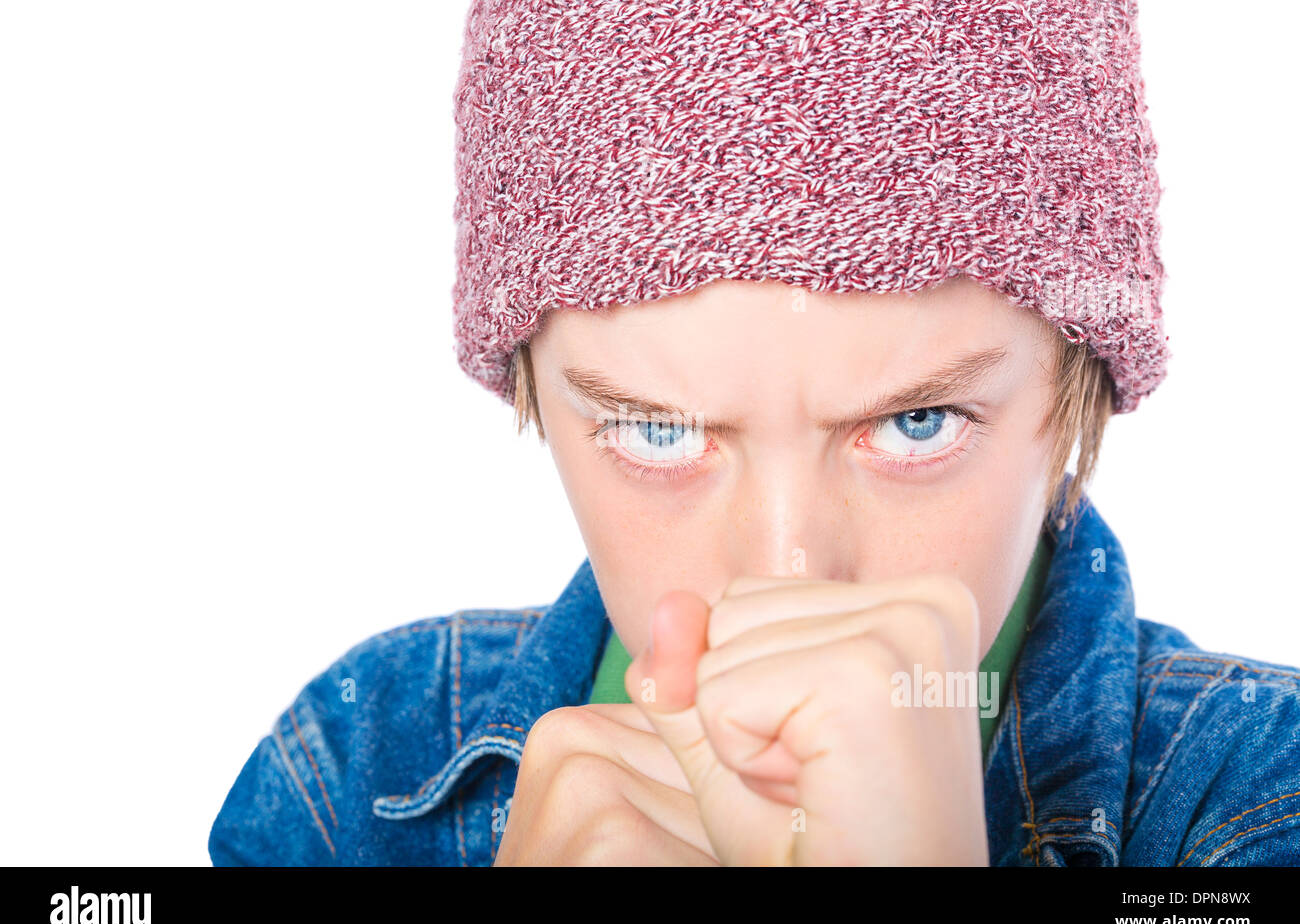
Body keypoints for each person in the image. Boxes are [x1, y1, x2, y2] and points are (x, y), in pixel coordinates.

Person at [208, 0, 1300, 866]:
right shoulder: (359, 775)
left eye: (916, 425)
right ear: (533, 385)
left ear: (1079, 379)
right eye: (656, 434)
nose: (786, 580)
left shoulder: (1255, 794)